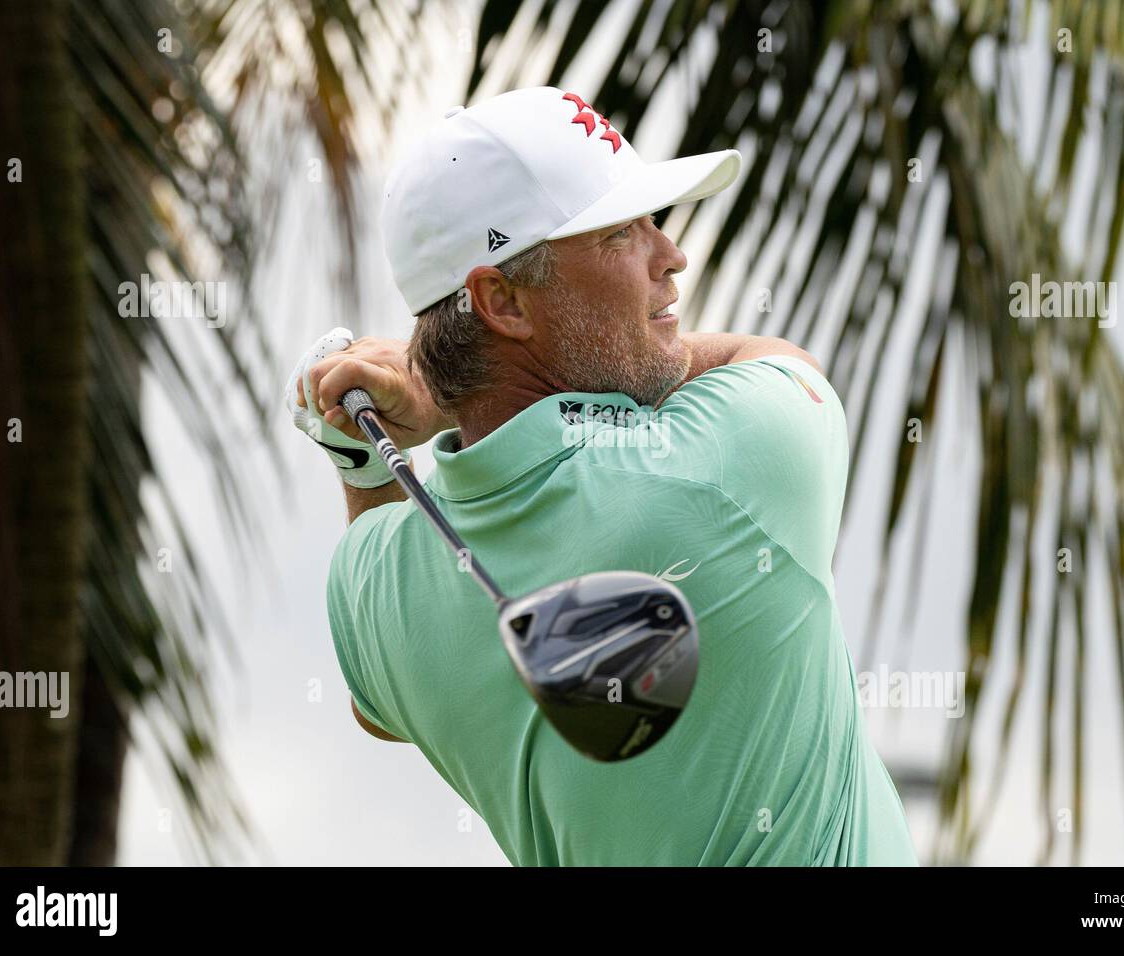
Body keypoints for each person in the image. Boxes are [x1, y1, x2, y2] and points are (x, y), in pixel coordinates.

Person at [285, 86, 917, 865]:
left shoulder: (380, 589)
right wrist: (439, 402)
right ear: (503, 301)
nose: (671, 254)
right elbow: (780, 361)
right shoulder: (731, 466)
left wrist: (365, 446)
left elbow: (375, 704)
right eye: (623, 231)